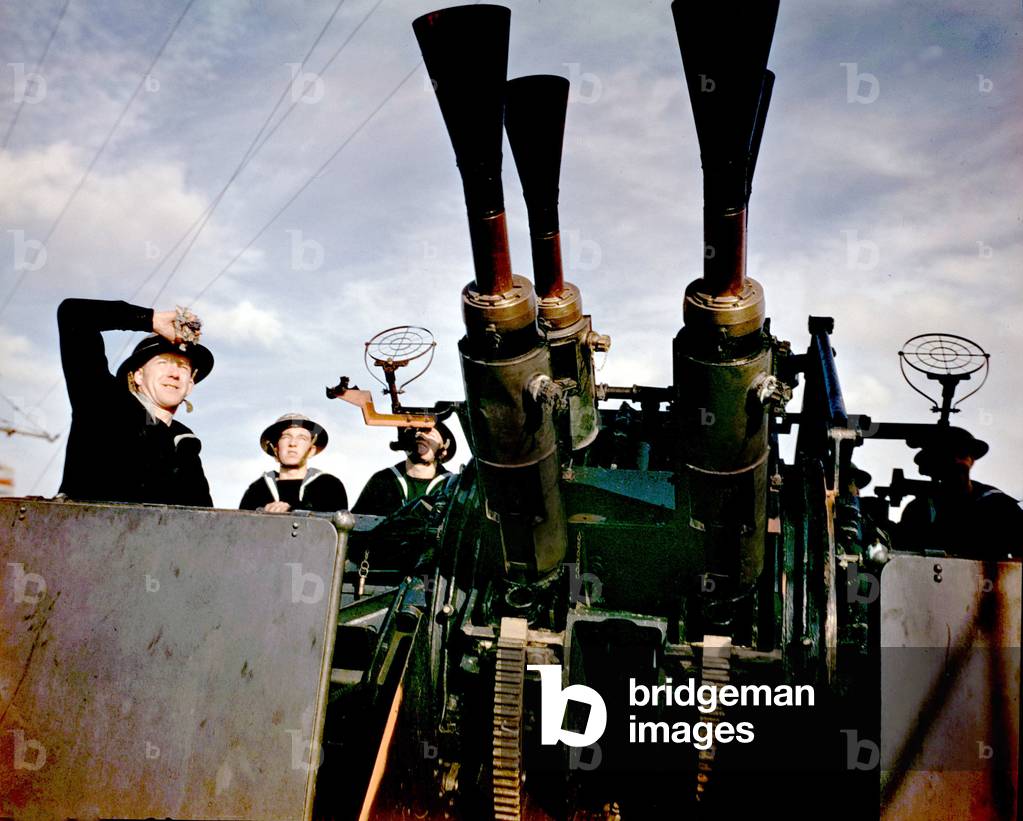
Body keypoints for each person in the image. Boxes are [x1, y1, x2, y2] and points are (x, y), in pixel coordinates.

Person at [56, 298, 214, 506]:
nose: (174, 374)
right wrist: (150, 320)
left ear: (190, 385)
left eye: (183, 368)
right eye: (163, 363)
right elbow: (75, 314)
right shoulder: (105, 404)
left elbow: (204, 523)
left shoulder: (186, 445)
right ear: (138, 376)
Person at [897, 427, 1022, 561]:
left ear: (971, 460)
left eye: (961, 454)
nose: (956, 461)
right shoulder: (919, 510)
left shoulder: (1000, 506)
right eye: (947, 455)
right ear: (933, 465)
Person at [239, 413, 347, 513]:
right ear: (275, 449)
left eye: (302, 438)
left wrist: (291, 510)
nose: (293, 443)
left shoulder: (328, 485)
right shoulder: (257, 490)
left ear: (311, 450)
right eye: (285, 437)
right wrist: (262, 512)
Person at [352, 421, 456, 515]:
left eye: (428, 432)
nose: (420, 435)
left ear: (443, 451)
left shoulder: (452, 486)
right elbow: (357, 524)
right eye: (416, 431)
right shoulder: (383, 479)